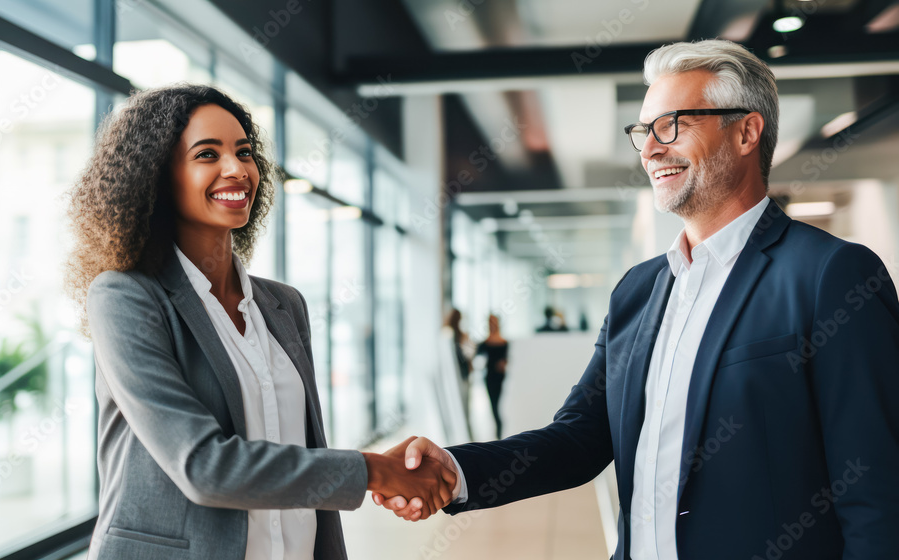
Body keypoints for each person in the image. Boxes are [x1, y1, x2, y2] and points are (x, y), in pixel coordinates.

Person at [374, 40, 899, 559]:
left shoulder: (831, 275)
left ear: (746, 131)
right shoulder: (639, 289)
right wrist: (455, 470)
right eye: (643, 131)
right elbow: (581, 435)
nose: (649, 148)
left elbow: (877, 493)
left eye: (672, 124)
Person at [66, 84, 454, 560]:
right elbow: (203, 465)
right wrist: (373, 470)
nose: (237, 169)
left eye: (244, 152)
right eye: (207, 154)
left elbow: (301, 445)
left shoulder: (284, 305)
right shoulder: (125, 297)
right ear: (157, 177)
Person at [475, 314, 509, 439]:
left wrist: (503, 364)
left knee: (496, 405)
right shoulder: (484, 343)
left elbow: (505, 360)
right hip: (489, 376)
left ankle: (499, 432)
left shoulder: (503, 342)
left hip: (499, 377)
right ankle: (498, 432)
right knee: (493, 405)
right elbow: (477, 358)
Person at [444, 308, 475, 439]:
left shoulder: (447, 335)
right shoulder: (458, 337)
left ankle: (461, 435)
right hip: (463, 377)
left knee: (458, 407)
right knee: (464, 408)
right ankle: (466, 435)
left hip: (455, 379)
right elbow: (469, 355)